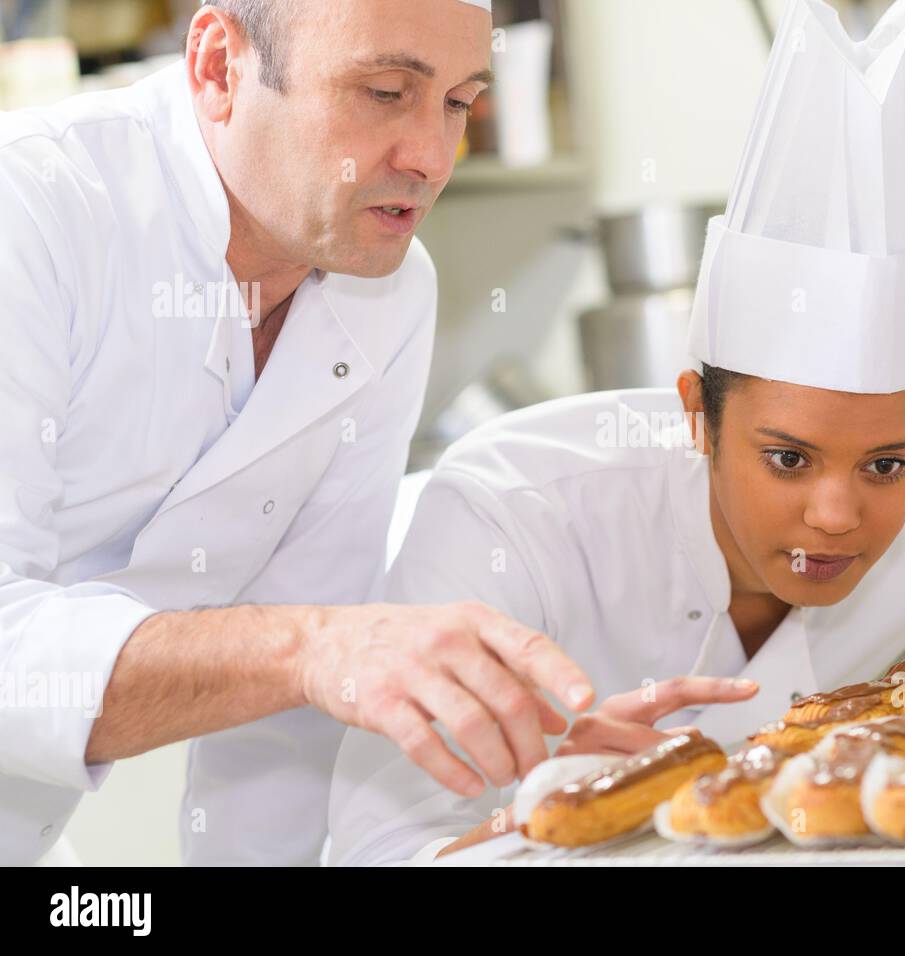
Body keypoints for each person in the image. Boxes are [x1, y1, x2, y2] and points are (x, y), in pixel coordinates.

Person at [326, 0, 905, 866]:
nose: (839, 515)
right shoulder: (512, 516)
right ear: (699, 413)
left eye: (886, 462)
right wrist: (550, 814)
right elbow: (375, 851)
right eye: (788, 458)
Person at [0, 0, 594, 866]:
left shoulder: (388, 292)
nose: (432, 158)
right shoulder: (34, 212)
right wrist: (314, 648)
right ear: (218, 66)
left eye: (459, 102)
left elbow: (289, 732)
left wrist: (324, 657)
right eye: (385, 91)